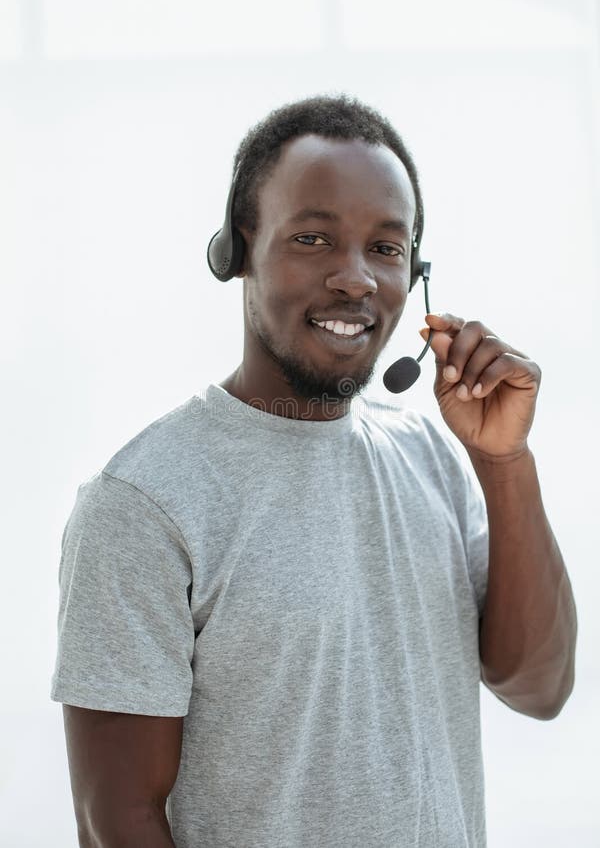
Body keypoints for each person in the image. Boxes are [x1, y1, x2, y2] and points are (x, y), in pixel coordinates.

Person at [50, 94, 577, 848]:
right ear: (237, 252)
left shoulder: (433, 460)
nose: (356, 278)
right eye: (313, 238)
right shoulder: (143, 502)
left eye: (387, 249)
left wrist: (503, 461)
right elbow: (117, 821)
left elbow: (540, 688)